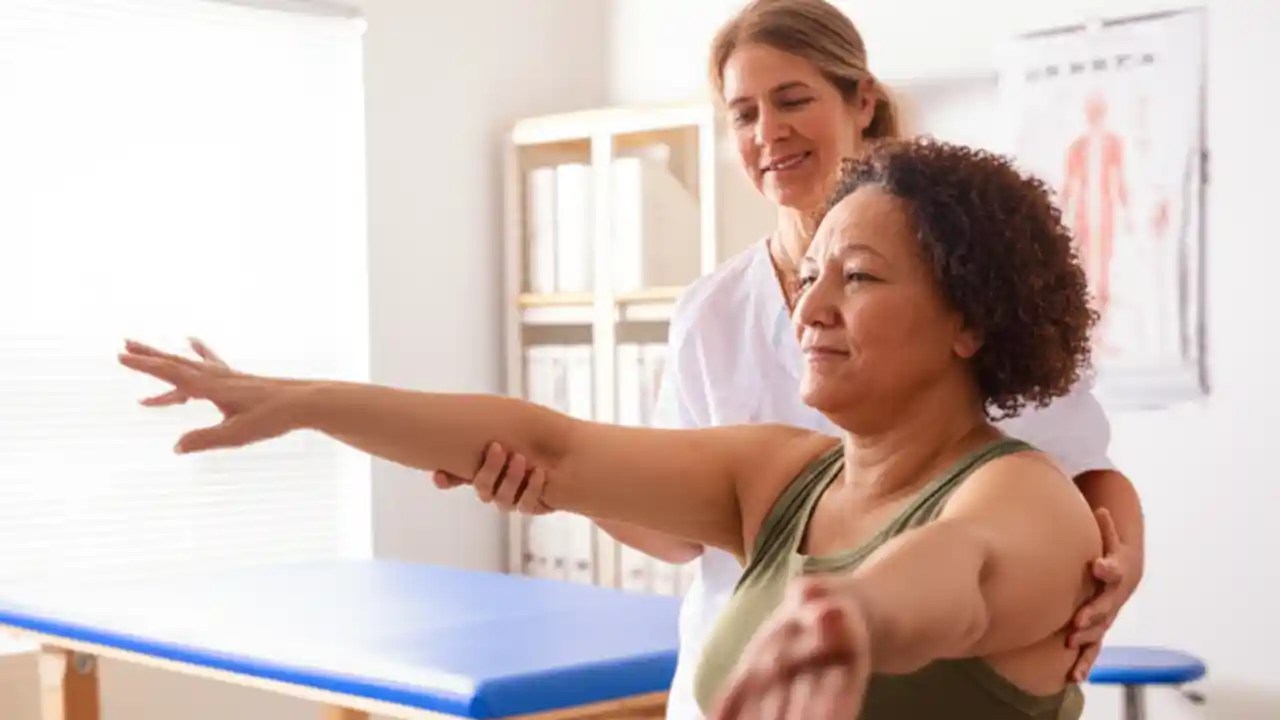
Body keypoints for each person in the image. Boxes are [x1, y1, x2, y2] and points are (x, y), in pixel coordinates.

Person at [122, 136, 1107, 718]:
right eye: (808, 278)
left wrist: (853, 617)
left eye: (858, 278)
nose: (807, 310)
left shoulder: (1017, 497)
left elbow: (959, 578)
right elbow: (545, 445)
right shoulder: (777, 476)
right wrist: (301, 403)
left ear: (970, 319)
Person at [436, 2, 1144, 716]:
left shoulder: (967, 281)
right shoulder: (711, 313)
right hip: (738, 676)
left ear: (862, 99)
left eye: (792, 100)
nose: (768, 133)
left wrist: (1120, 568)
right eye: (743, 114)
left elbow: (1082, 476)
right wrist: (564, 484)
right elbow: (682, 531)